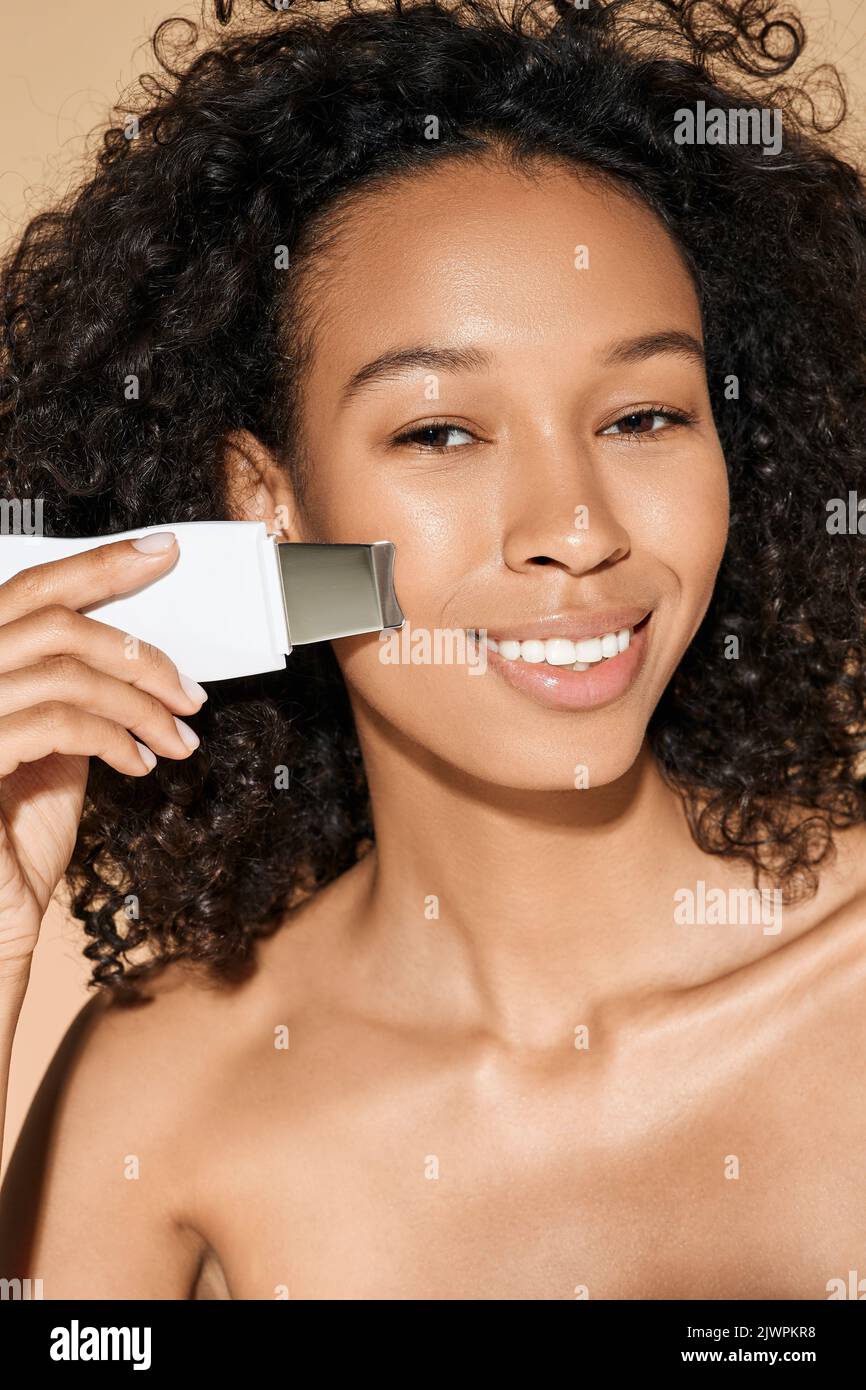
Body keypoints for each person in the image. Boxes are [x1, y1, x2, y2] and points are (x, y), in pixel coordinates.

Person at [1, 0, 865, 1299]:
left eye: (640, 415)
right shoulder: (160, 1110)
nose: (573, 529)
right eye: (440, 433)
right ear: (267, 506)